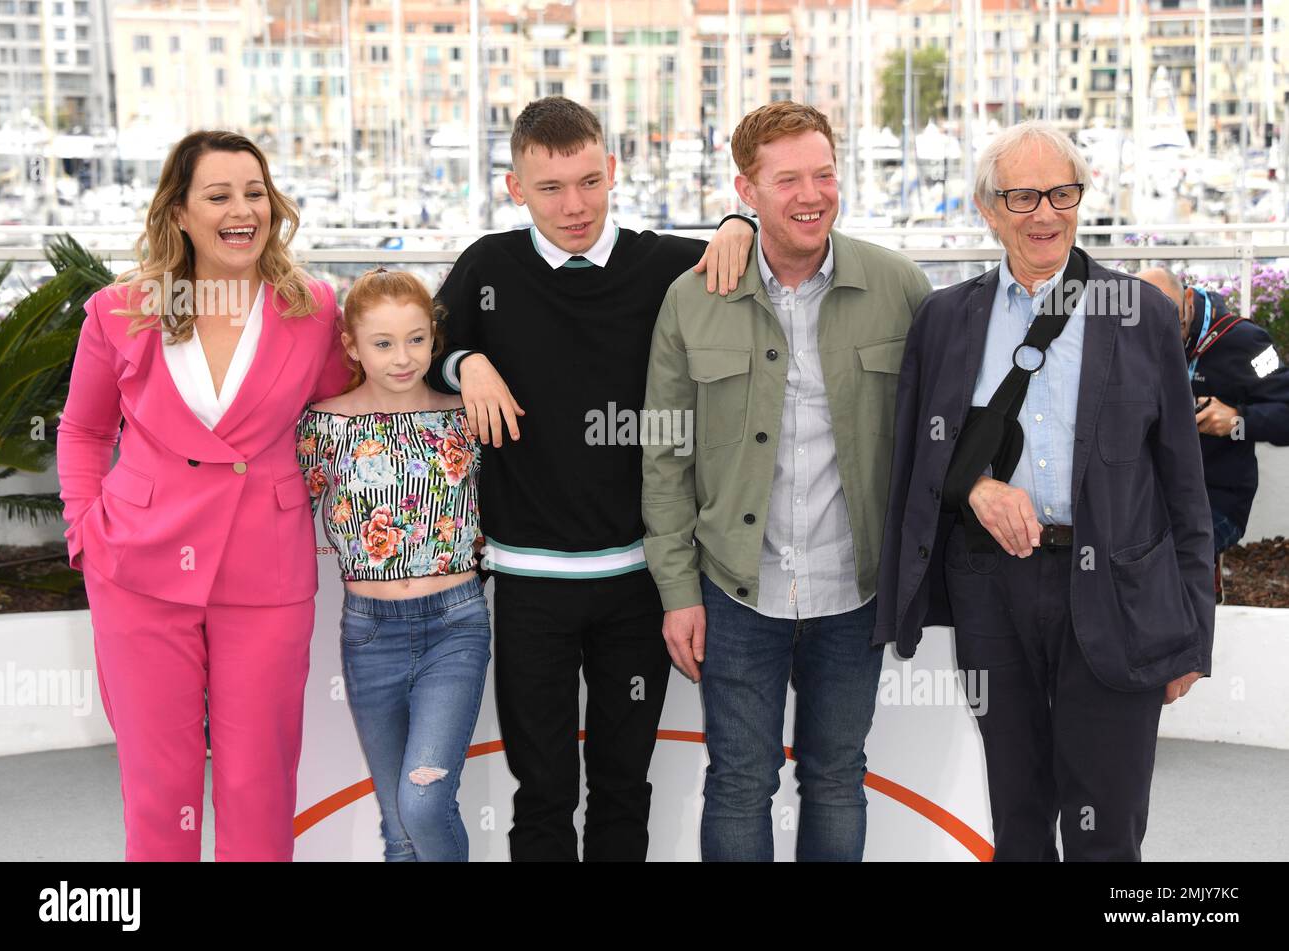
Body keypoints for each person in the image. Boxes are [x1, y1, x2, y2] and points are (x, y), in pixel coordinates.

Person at [425, 96, 755, 862]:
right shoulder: (486, 268)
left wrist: (737, 224)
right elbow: (416, 348)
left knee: (622, 784)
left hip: (642, 580)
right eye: (550, 188)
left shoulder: (669, 263)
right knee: (541, 792)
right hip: (529, 584)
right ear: (515, 188)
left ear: (611, 170)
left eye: (587, 181)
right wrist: (463, 362)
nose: (573, 205)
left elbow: (763, 243)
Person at [875, 120, 1215, 861]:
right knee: (1019, 816)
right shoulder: (945, 318)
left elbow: (1185, 482)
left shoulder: (1141, 313)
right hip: (991, 590)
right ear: (987, 210)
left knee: (1109, 825)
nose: (1045, 214)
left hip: (1120, 593)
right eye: (1022, 196)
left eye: (1061, 193)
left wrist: (1192, 626)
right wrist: (979, 492)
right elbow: (920, 460)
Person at [642, 100, 931, 862]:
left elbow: (941, 437)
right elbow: (664, 454)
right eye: (788, 179)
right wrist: (677, 590)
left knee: (837, 775)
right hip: (737, 590)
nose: (812, 194)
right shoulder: (690, 299)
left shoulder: (899, 285)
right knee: (740, 779)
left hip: (855, 589)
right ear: (746, 190)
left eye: (825, 173)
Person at [56, 130, 350, 860]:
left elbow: (348, 407)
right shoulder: (119, 310)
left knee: (260, 782)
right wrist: (84, 531)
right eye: (218, 195)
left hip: (266, 572)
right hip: (138, 567)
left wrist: (464, 364)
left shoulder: (311, 308)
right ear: (180, 212)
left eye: (254, 192)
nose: (241, 209)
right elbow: (83, 430)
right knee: (160, 784)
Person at [297, 268, 487, 862]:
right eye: (382, 343)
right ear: (351, 345)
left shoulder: (466, 418)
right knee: (398, 827)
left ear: (433, 339)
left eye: (416, 339)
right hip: (368, 632)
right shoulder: (321, 426)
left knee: (425, 803)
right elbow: (278, 519)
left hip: (455, 627)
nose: (402, 358)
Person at [1139, 267, 1289, 561]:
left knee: (1172, 560)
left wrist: (1237, 422)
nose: (1165, 339)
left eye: (1173, 324)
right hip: (1147, 492)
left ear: (1189, 299)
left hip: (1215, 498)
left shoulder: (1247, 342)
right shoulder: (1130, 336)